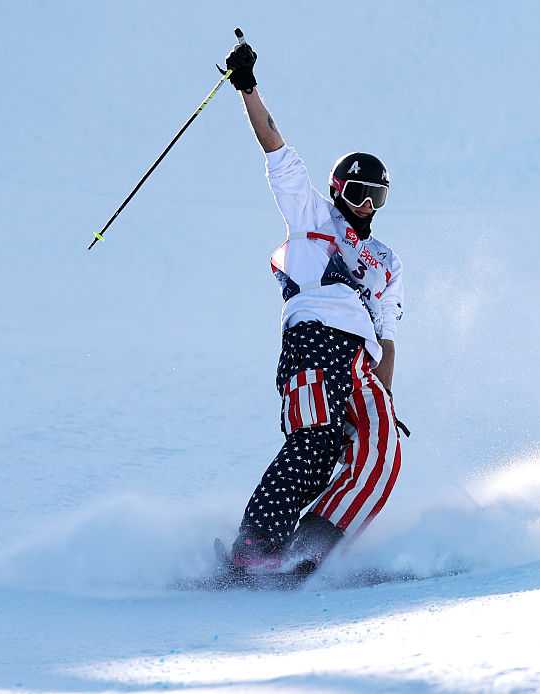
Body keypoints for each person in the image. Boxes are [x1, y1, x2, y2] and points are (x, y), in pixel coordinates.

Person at [222, 38, 406, 579]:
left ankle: (309, 548)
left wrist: (384, 390)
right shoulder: (311, 214)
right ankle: (254, 549)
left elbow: (388, 330)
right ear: (336, 189)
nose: (364, 206)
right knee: (315, 443)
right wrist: (248, 89)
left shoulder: (385, 260)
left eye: (375, 196)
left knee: (382, 451)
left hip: (359, 359)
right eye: (355, 192)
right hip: (311, 340)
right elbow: (275, 146)